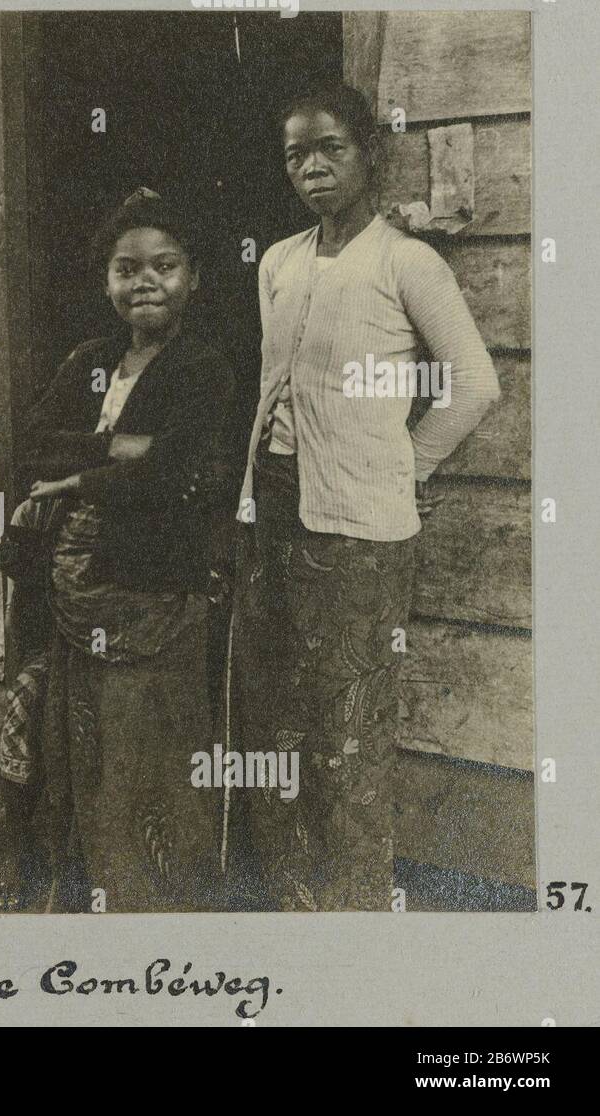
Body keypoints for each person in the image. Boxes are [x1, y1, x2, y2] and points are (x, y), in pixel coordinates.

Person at [230, 84, 501, 911]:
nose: (311, 167)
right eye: (295, 154)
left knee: (349, 722)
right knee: (276, 710)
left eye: (330, 149)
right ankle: (292, 894)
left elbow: (475, 386)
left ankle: (353, 904)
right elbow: (275, 388)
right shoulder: (278, 261)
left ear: (367, 154)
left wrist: (406, 468)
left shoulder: (405, 261)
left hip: (361, 532)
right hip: (272, 508)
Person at [0, 188, 238, 913]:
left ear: (194, 277)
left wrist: (84, 476)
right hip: (71, 587)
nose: (145, 282)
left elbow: (185, 472)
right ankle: (86, 885)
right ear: (107, 282)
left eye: (165, 265)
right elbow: (35, 440)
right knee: (78, 739)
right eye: (127, 269)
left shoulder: (203, 369)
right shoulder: (92, 360)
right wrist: (115, 451)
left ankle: (157, 896)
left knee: (147, 744)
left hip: (153, 584)